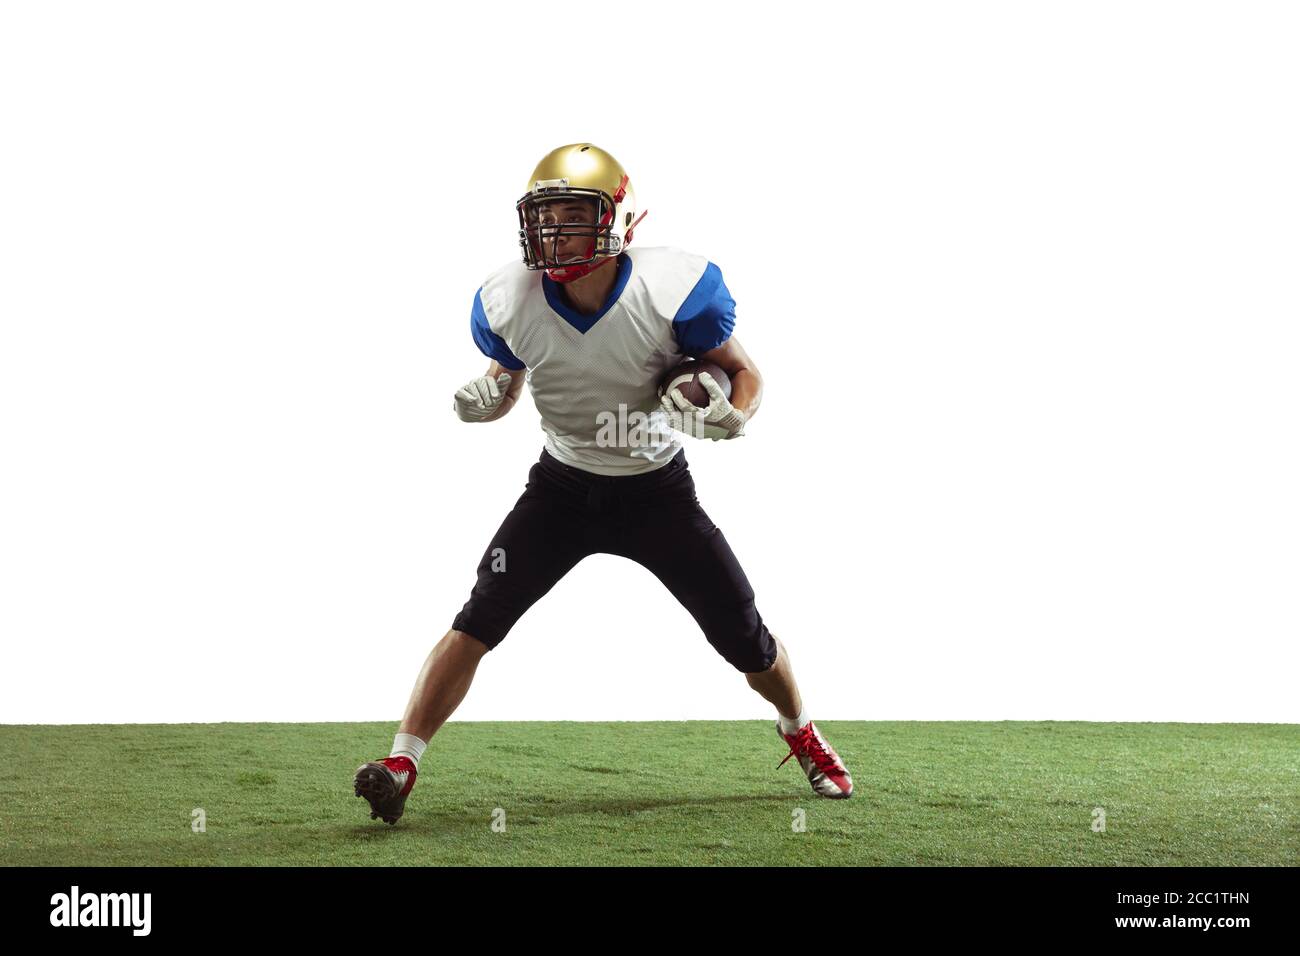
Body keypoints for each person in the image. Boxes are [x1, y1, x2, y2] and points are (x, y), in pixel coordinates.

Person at [354, 143, 852, 825]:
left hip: (657, 494)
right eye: (545, 215)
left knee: (745, 636)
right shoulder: (508, 299)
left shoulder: (674, 287)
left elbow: (744, 371)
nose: (556, 230)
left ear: (621, 219)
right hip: (560, 490)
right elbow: (509, 384)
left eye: (572, 213)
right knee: (477, 618)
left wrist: (736, 413)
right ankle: (401, 763)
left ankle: (799, 730)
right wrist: (487, 399)